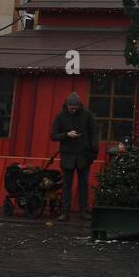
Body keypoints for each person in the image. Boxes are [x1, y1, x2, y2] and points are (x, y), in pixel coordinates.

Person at [50, 92, 98, 221]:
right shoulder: (60, 116)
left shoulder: (87, 115)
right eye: (71, 108)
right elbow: (53, 135)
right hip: (67, 156)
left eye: (75, 108)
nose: (73, 110)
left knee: (84, 184)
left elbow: (94, 134)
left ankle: (83, 211)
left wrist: (93, 153)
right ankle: (65, 212)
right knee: (66, 185)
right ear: (67, 106)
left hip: (84, 155)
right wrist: (67, 135)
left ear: (79, 106)